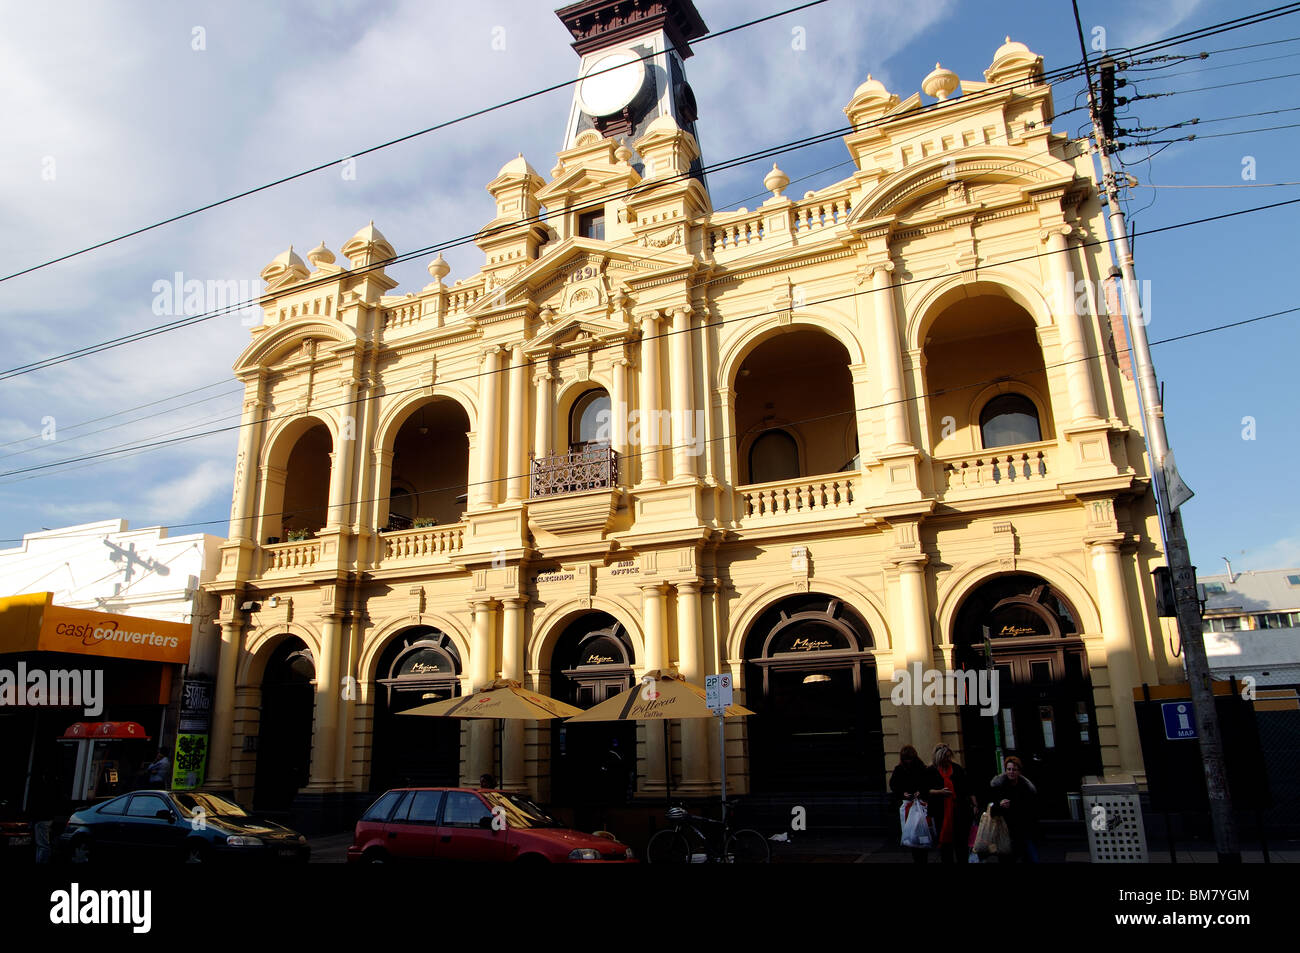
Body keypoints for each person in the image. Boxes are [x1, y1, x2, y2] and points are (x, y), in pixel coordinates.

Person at [924, 743, 978, 864]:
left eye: (949, 757)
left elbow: (967, 787)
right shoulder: (931, 771)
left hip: (959, 810)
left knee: (961, 842)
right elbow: (924, 790)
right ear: (939, 758)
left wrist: (974, 804)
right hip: (940, 812)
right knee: (945, 844)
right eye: (945, 757)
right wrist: (939, 792)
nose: (948, 760)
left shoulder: (956, 769)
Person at [989, 755, 1039, 863]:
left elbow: (1032, 810)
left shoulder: (1025, 787)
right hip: (1005, 831)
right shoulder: (1000, 786)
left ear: (1019, 771)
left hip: (1023, 830)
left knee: (1032, 858)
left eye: (1014, 770)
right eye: (1009, 769)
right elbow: (992, 810)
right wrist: (1000, 804)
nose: (1011, 772)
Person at [889, 745, 931, 863]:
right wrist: (903, 793)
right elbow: (894, 785)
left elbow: (894, 785)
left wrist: (913, 792)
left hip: (914, 803)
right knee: (917, 830)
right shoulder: (918, 768)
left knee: (915, 830)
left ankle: (920, 853)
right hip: (911, 803)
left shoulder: (904, 769)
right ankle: (919, 854)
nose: (908, 761)